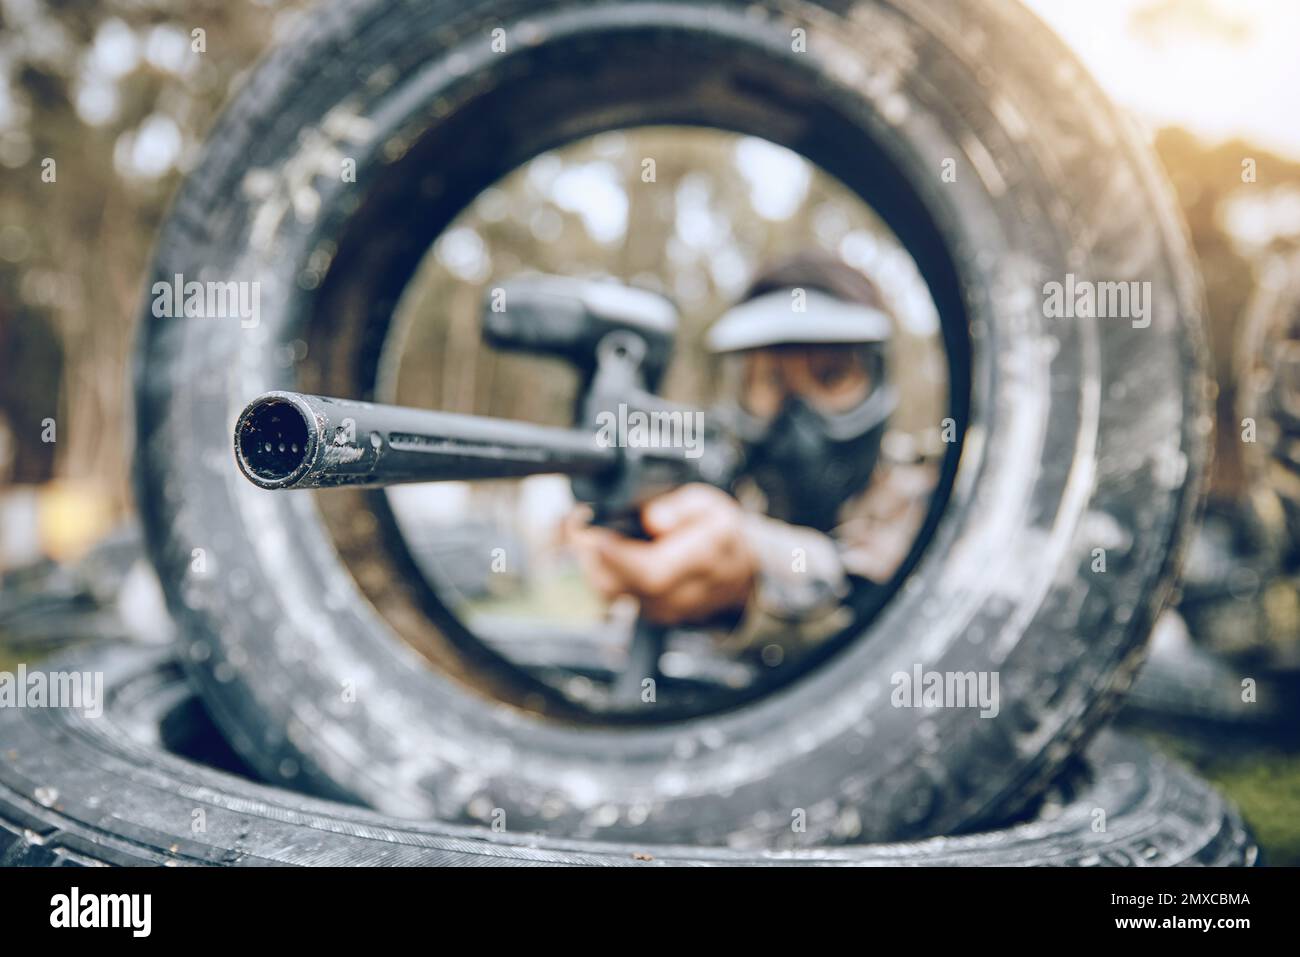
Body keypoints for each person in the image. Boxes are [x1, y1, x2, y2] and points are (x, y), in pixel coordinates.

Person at [567, 252, 937, 658]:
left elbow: (890, 600)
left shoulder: (924, 496)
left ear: (877, 384)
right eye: (772, 381)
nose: (798, 414)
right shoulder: (726, 488)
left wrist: (753, 570)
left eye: (831, 376)